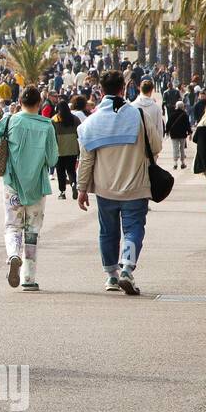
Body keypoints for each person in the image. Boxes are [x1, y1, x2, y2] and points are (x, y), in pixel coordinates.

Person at [76, 70, 163, 296]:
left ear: (101, 91)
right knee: (133, 229)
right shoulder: (139, 115)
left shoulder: (92, 122)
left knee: (108, 231)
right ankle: (127, 268)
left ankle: (111, 275)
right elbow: (156, 146)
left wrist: (81, 189)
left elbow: (86, 160)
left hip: (105, 189)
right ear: (123, 89)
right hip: (136, 186)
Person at [0, 86, 57, 291]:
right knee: (32, 231)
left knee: (12, 225)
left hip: (12, 184)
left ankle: (13, 254)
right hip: (38, 186)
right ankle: (28, 277)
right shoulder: (47, 125)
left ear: (20, 101)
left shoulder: (9, 120)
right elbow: (52, 159)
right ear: (39, 104)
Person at [52, 98, 80, 199]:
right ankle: (73, 184)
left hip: (59, 150)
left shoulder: (54, 120)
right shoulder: (75, 119)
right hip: (72, 149)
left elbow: (51, 136)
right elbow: (79, 134)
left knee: (60, 171)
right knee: (71, 170)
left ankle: (62, 192)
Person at [166, 101, 191, 169]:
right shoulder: (184, 114)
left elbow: (168, 124)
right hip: (182, 134)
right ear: (183, 107)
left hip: (174, 134)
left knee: (175, 148)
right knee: (182, 148)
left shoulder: (172, 114)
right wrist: (190, 132)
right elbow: (187, 125)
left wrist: (167, 131)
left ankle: (175, 163)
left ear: (176, 106)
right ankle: (183, 162)